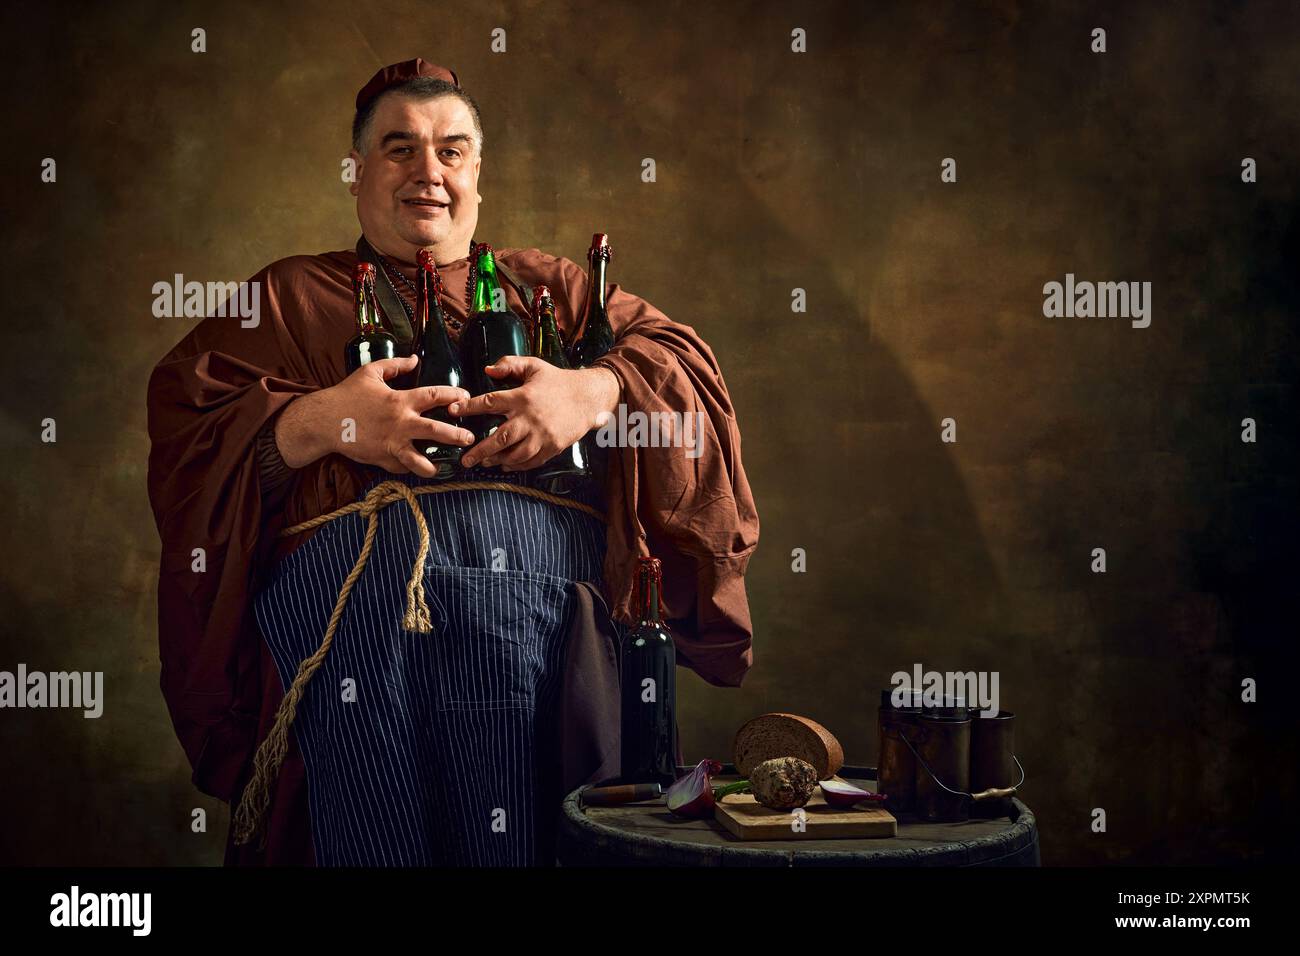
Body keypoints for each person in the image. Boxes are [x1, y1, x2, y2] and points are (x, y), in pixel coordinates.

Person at [146, 58, 759, 866]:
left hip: (546, 657)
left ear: (478, 174)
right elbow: (190, 440)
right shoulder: (288, 296)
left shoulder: (557, 290)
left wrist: (593, 390)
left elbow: (687, 373)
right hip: (359, 663)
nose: (426, 172)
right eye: (398, 149)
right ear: (357, 172)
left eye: (451, 150)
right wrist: (322, 421)